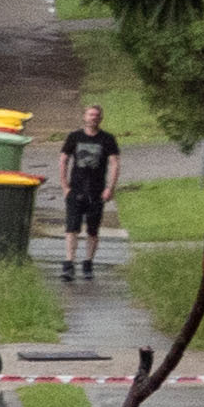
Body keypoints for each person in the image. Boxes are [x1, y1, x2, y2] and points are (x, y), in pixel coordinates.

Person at [57, 103, 123, 280]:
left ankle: (88, 263)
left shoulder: (107, 139)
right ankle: (69, 263)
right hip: (76, 189)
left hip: (97, 190)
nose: (93, 118)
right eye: (90, 115)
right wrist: (65, 186)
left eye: (96, 115)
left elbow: (115, 163)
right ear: (84, 117)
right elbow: (63, 160)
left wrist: (110, 187)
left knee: (93, 230)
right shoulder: (74, 137)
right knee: (72, 228)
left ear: (100, 118)